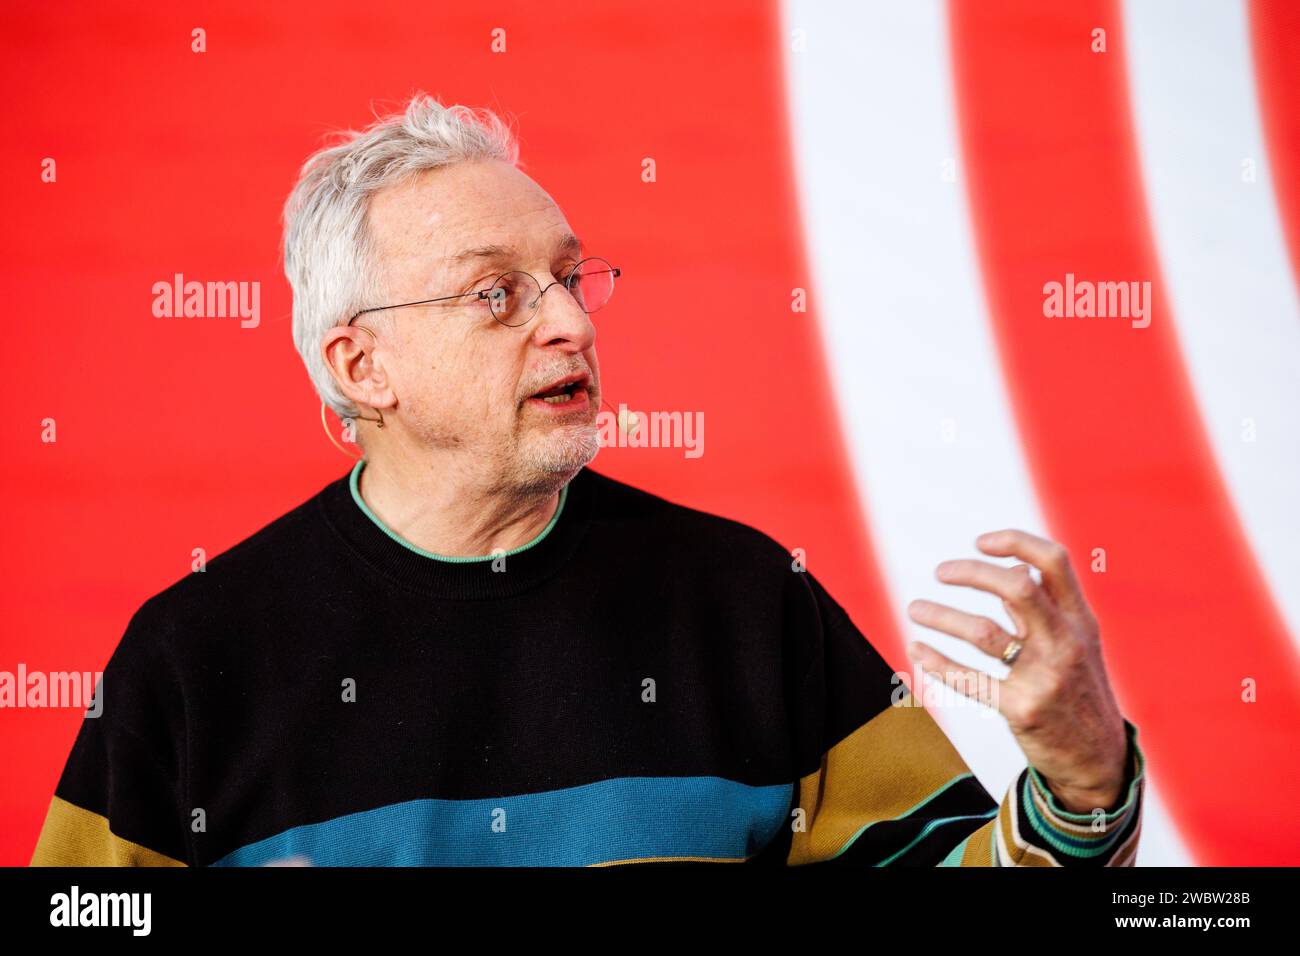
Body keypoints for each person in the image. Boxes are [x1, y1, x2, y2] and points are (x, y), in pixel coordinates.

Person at [30, 94, 1142, 867]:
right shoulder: (191, 657)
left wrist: (1084, 786)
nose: (568, 322)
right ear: (361, 364)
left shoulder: (746, 602)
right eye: (494, 295)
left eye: (568, 278)